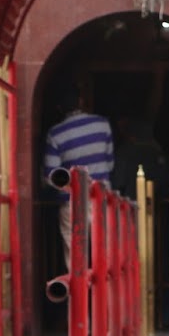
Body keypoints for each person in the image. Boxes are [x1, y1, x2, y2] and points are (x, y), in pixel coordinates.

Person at [42, 89, 113, 267]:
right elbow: (110, 164)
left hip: (72, 202)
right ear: (81, 101)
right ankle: (105, 294)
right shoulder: (102, 125)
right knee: (105, 255)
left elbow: (51, 176)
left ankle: (78, 294)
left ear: (59, 109)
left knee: (75, 260)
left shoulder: (56, 134)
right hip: (102, 198)